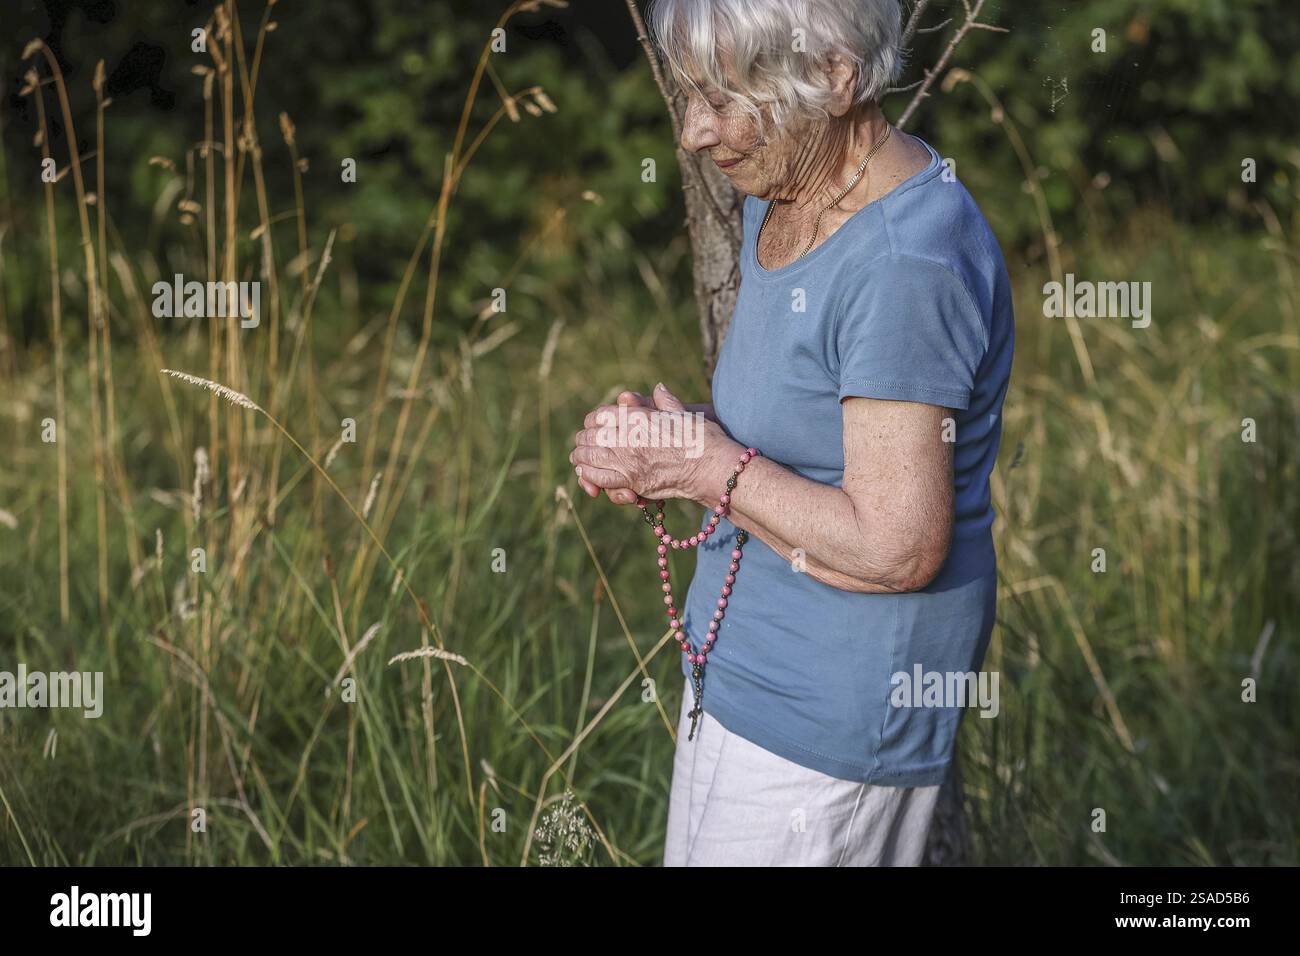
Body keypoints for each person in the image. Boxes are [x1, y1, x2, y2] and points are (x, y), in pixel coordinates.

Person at [569, 0, 1014, 866]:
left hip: (831, 720)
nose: (695, 132)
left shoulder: (905, 265)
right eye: (689, 95)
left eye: (724, 99)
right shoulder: (781, 196)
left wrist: (707, 468)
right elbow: (805, 435)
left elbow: (895, 547)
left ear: (839, 76)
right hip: (742, 671)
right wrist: (672, 445)